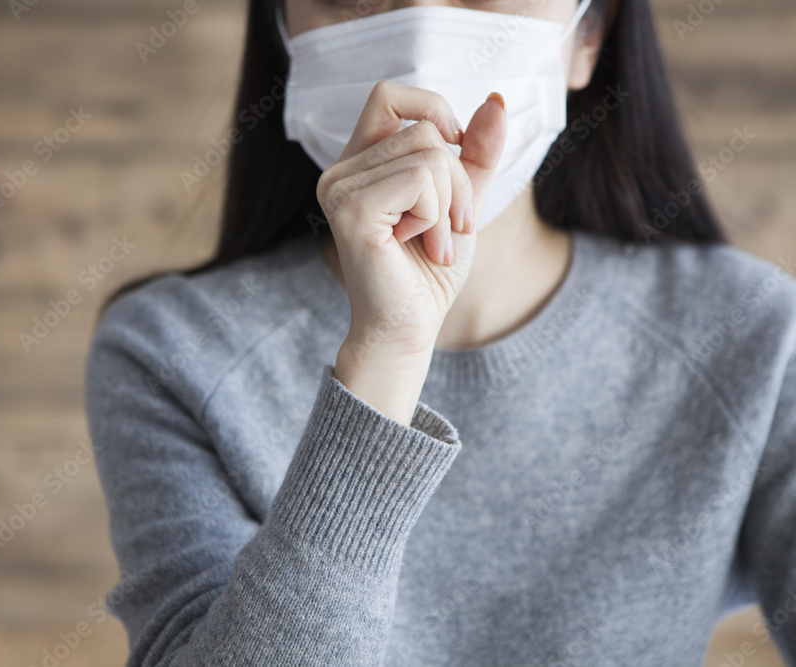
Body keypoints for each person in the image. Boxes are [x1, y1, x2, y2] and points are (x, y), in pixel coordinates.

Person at [84, 0, 796, 664]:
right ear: (281, 32)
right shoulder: (168, 353)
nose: (421, 35)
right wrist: (385, 352)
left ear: (590, 34)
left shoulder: (751, 332)